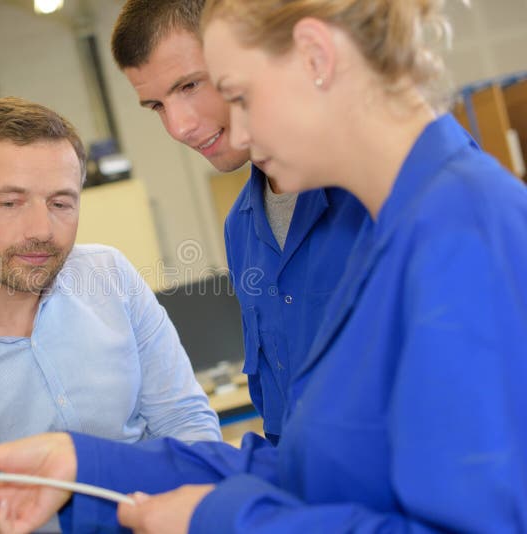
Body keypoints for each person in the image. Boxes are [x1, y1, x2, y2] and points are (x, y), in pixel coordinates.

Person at [0, 1, 527, 532]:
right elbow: (311, 466)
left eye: (238, 95)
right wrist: (84, 461)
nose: (233, 131)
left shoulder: (463, 228)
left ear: (316, 58)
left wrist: (218, 518)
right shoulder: (408, 225)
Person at [111, 0, 367, 443]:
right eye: (156, 106)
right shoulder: (242, 228)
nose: (178, 127)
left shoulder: (378, 182)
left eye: (190, 85)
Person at [0, 96, 221, 446]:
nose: (42, 230)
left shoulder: (110, 276)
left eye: (60, 203)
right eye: (11, 203)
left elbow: (185, 422)